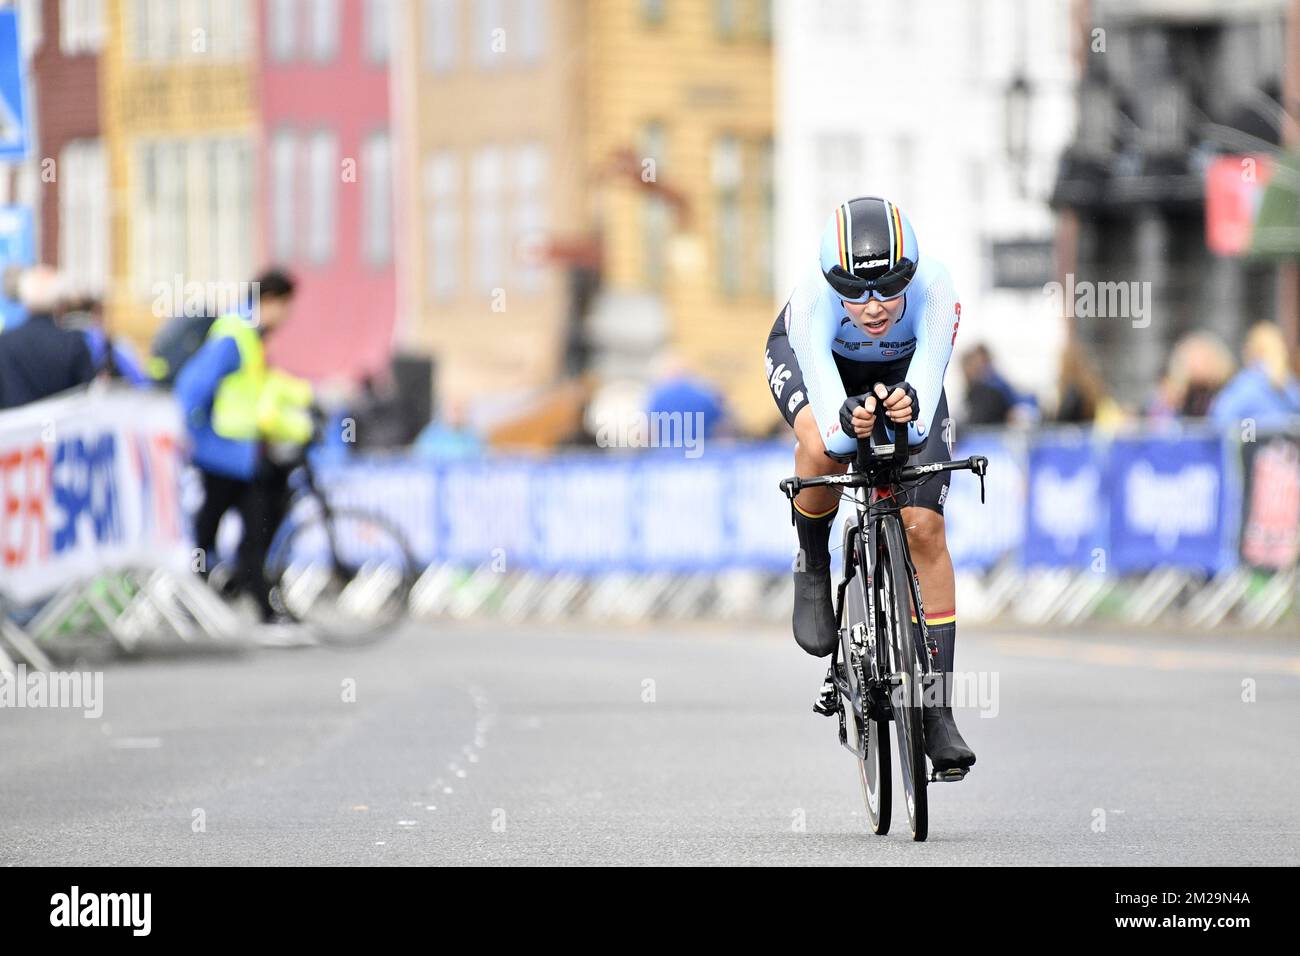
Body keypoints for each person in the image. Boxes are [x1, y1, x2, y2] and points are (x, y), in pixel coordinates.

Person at [763, 196, 974, 772]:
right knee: (823, 451)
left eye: (889, 287)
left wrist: (903, 409)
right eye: (854, 291)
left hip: (907, 378)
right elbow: (834, 431)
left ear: (911, 274)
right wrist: (846, 422)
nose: (873, 306)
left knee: (925, 526)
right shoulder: (812, 300)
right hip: (824, 372)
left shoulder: (937, 289)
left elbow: (924, 405)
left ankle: (935, 712)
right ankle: (811, 561)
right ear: (835, 285)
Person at [175, 268, 313, 624]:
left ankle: (258, 606)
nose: (287, 317)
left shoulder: (251, 336)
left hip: (242, 456)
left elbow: (262, 392)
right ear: (269, 302)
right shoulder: (235, 335)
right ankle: (197, 600)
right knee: (211, 533)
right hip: (221, 454)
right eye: (285, 307)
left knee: (252, 532)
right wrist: (191, 436)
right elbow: (193, 388)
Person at [0, 266, 96, 409]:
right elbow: (89, 397)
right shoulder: (73, 343)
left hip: (17, 428)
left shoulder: (5, 343)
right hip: (62, 429)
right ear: (58, 303)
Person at [1209, 321, 1300, 431]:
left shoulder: (1248, 382)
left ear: (1252, 350)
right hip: (1285, 445)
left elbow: (1221, 417)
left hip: (1255, 444)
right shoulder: (1289, 383)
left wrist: (1249, 435)